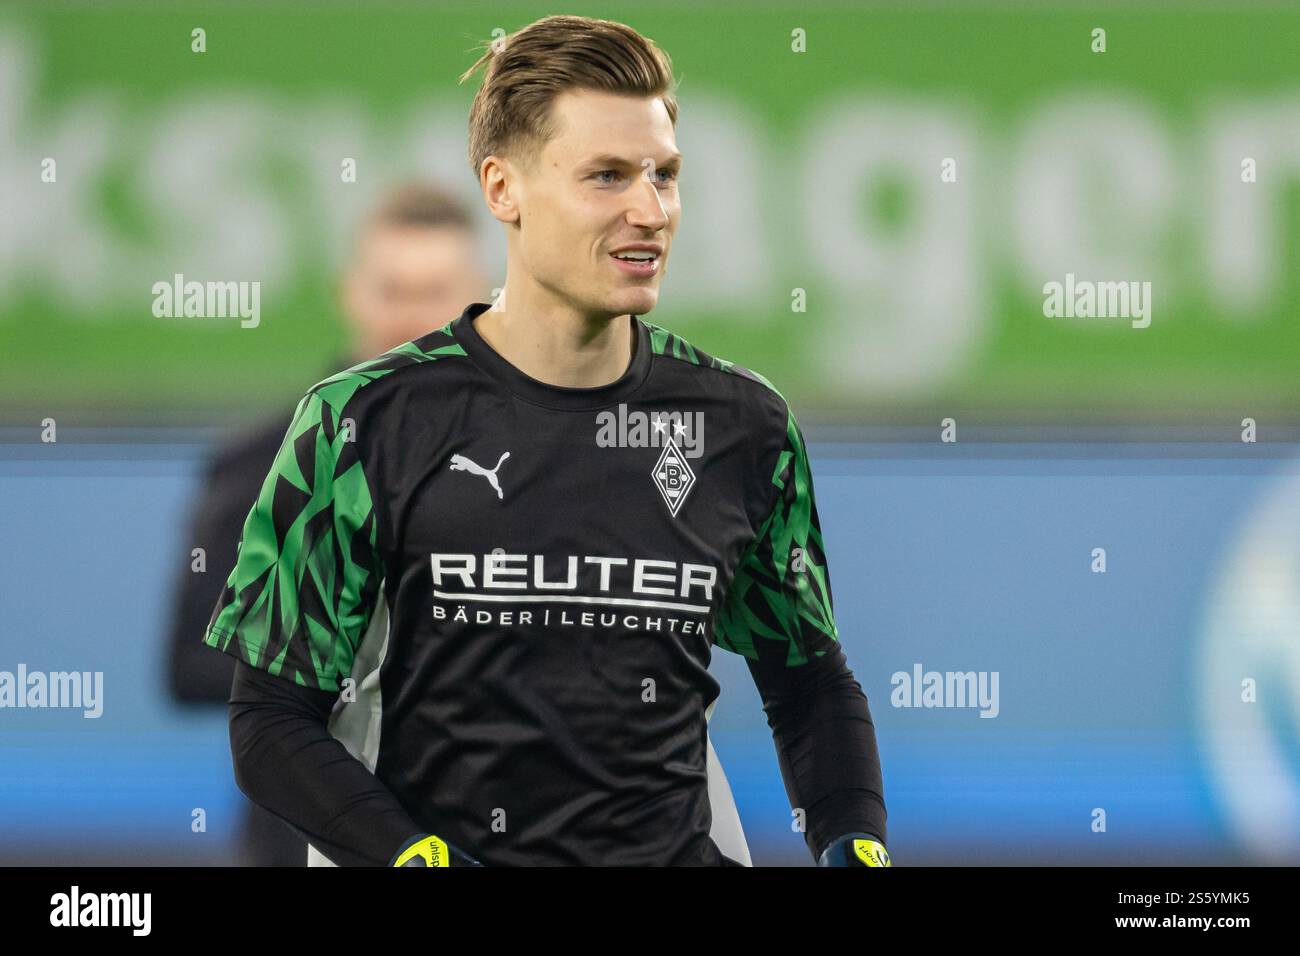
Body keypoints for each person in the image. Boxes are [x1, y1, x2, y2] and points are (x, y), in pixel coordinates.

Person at [203, 14, 888, 867]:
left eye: (665, 175)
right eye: (607, 176)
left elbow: (811, 683)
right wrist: (412, 856)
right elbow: (269, 721)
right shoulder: (362, 422)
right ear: (503, 189)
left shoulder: (744, 428)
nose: (650, 211)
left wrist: (855, 841)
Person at [167, 182, 488, 864]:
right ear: (351, 293)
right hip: (303, 843)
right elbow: (189, 663)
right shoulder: (267, 464)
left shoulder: (523, 462)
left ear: (479, 296)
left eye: (434, 291)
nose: (411, 315)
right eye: (392, 289)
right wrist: (361, 663)